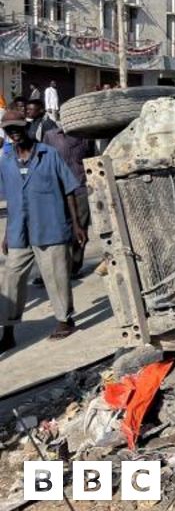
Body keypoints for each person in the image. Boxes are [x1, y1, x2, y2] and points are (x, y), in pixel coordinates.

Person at [0, 110, 86, 350]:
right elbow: (12, 201)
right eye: (9, 129)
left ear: (26, 127)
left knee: (56, 275)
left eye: (17, 127)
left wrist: (77, 224)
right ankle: (8, 330)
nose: (14, 132)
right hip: (19, 231)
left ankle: (65, 321)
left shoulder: (49, 154)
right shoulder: (6, 161)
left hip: (50, 225)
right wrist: (7, 233)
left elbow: (69, 188)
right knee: (12, 278)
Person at [43, 127, 93, 277]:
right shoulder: (50, 136)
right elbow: (43, 160)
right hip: (59, 191)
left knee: (80, 229)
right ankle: (59, 267)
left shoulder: (83, 134)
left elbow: (90, 157)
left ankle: (74, 267)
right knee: (60, 230)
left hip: (80, 189)